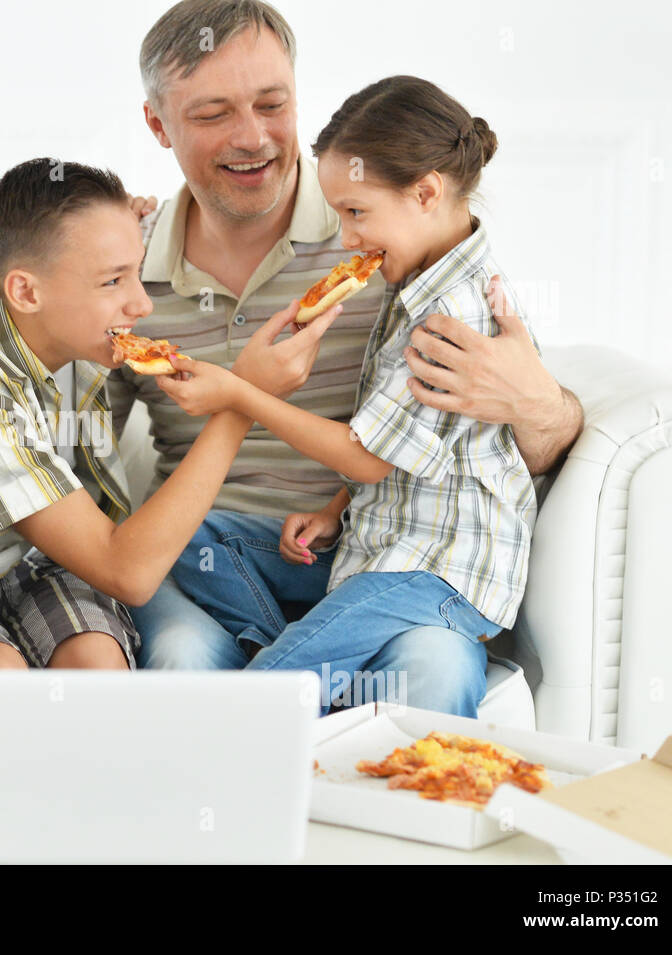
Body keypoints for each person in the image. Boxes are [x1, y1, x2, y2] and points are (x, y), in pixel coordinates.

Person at [112, 0, 583, 715]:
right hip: (263, 550)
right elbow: (55, 408)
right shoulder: (122, 258)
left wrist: (538, 401)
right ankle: (276, 703)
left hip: (399, 558)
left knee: (428, 663)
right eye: (212, 115)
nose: (253, 137)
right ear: (157, 124)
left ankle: (284, 705)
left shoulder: (387, 245)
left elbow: (429, 445)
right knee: (179, 627)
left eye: (272, 103)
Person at [0, 159, 261, 670]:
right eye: (113, 281)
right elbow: (128, 573)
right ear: (26, 292)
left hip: (43, 565)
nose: (141, 304)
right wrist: (241, 405)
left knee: (98, 662)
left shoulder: (80, 346)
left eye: (136, 272)